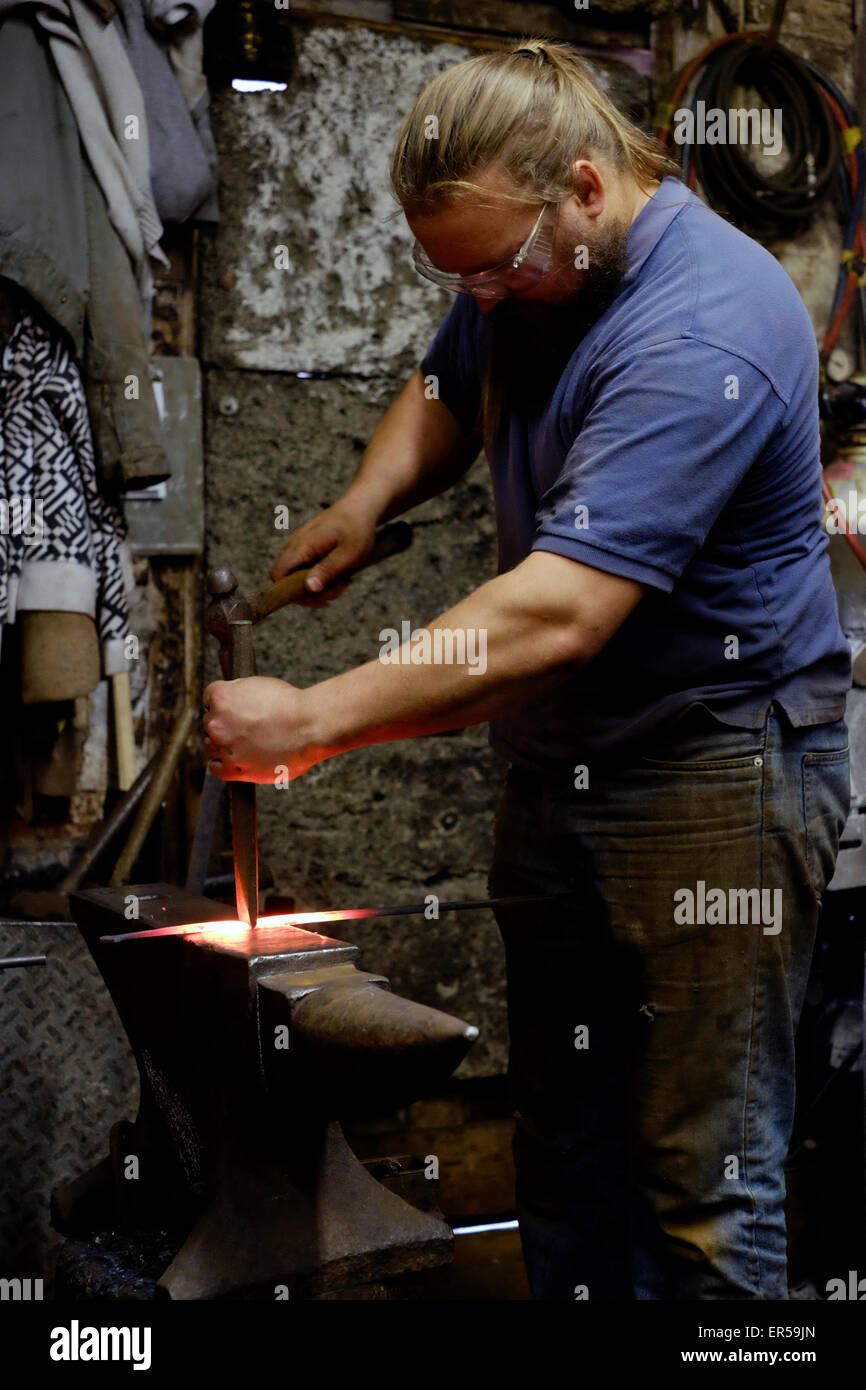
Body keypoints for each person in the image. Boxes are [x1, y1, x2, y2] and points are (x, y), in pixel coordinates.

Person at [203, 40, 852, 1300]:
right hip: (563, 766)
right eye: (456, 273)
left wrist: (313, 721)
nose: (481, 294)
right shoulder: (520, 264)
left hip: (712, 774)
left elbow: (555, 613)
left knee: (701, 1182)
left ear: (587, 186)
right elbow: (449, 378)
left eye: (493, 268)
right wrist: (365, 497)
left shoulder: (701, 324)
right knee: (565, 1143)